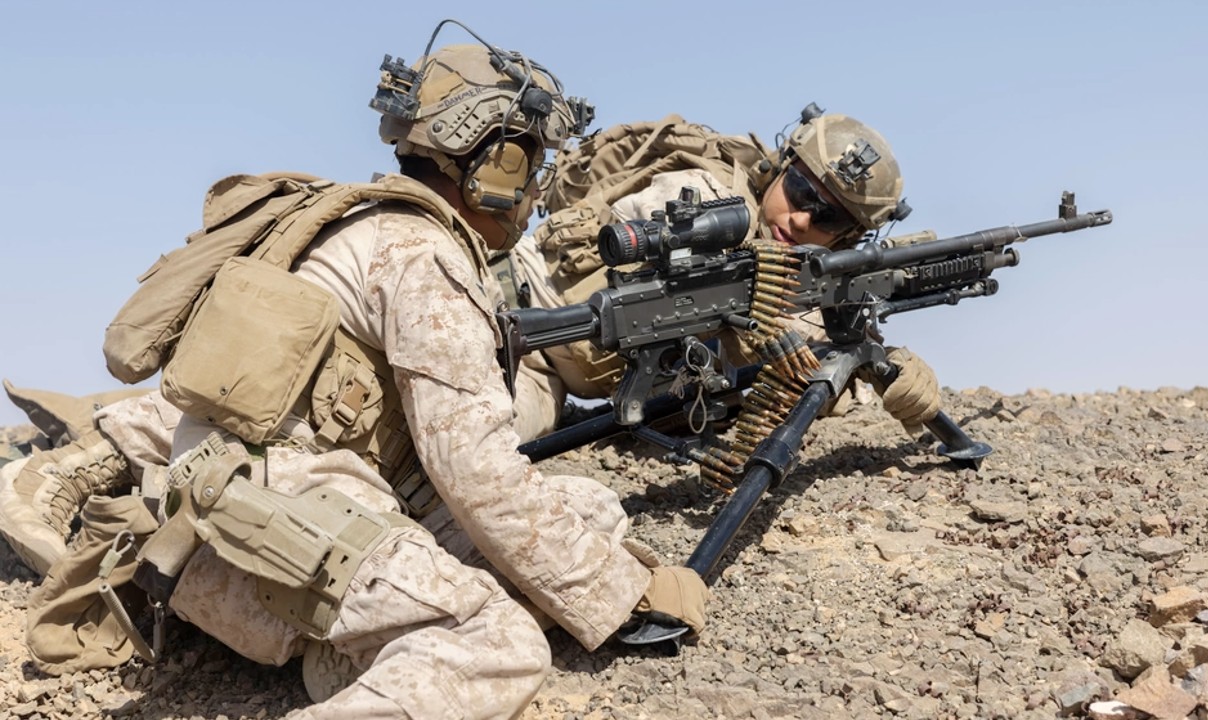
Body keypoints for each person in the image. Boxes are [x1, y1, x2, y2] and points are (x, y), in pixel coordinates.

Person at [15, 27, 709, 719]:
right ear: (492, 163)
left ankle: (350, 650)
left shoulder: (374, 223)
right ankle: (356, 648)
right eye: (528, 161)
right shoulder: (420, 252)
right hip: (257, 529)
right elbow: (475, 471)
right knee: (496, 644)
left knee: (588, 509)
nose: (534, 187)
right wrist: (618, 597)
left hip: (266, 508)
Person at [507, 108, 940, 435]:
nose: (803, 220)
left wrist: (885, 367)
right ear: (780, 167)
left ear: (847, 239)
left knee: (496, 442)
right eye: (800, 192)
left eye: (829, 218)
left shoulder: (795, 280)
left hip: (547, 377)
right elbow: (665, 278)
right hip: (509, 296)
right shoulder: (705, 197)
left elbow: (820, 369)